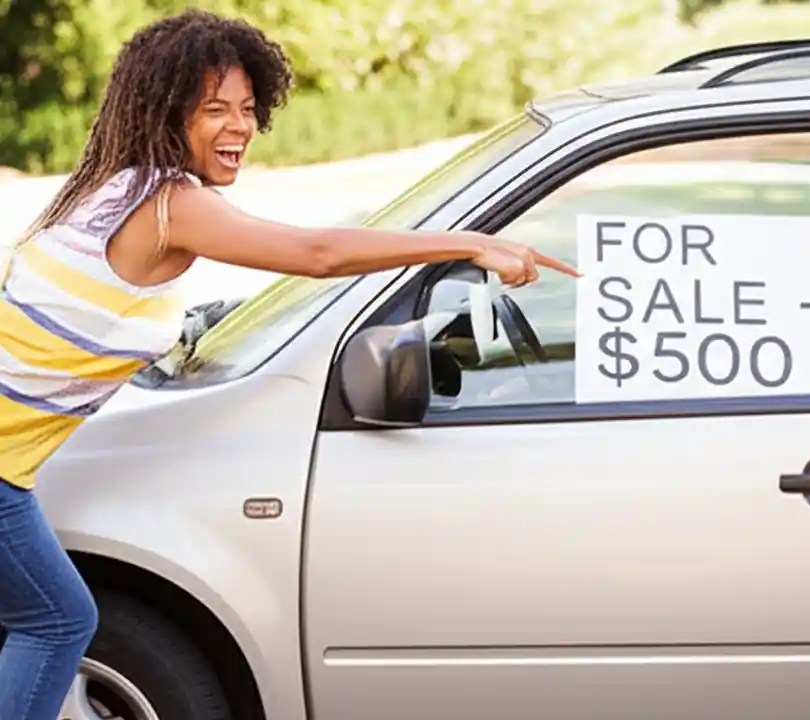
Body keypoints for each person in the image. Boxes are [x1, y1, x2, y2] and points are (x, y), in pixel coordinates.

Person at [0, 9, 576, 719]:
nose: (238, 127)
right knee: (58, 622)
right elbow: (316, 255)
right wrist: (467, 242)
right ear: (164, 111)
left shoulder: (106, 191)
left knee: (57, 617)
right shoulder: (170, 203)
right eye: (214, 109)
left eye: (247, 108)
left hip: (9, 476)